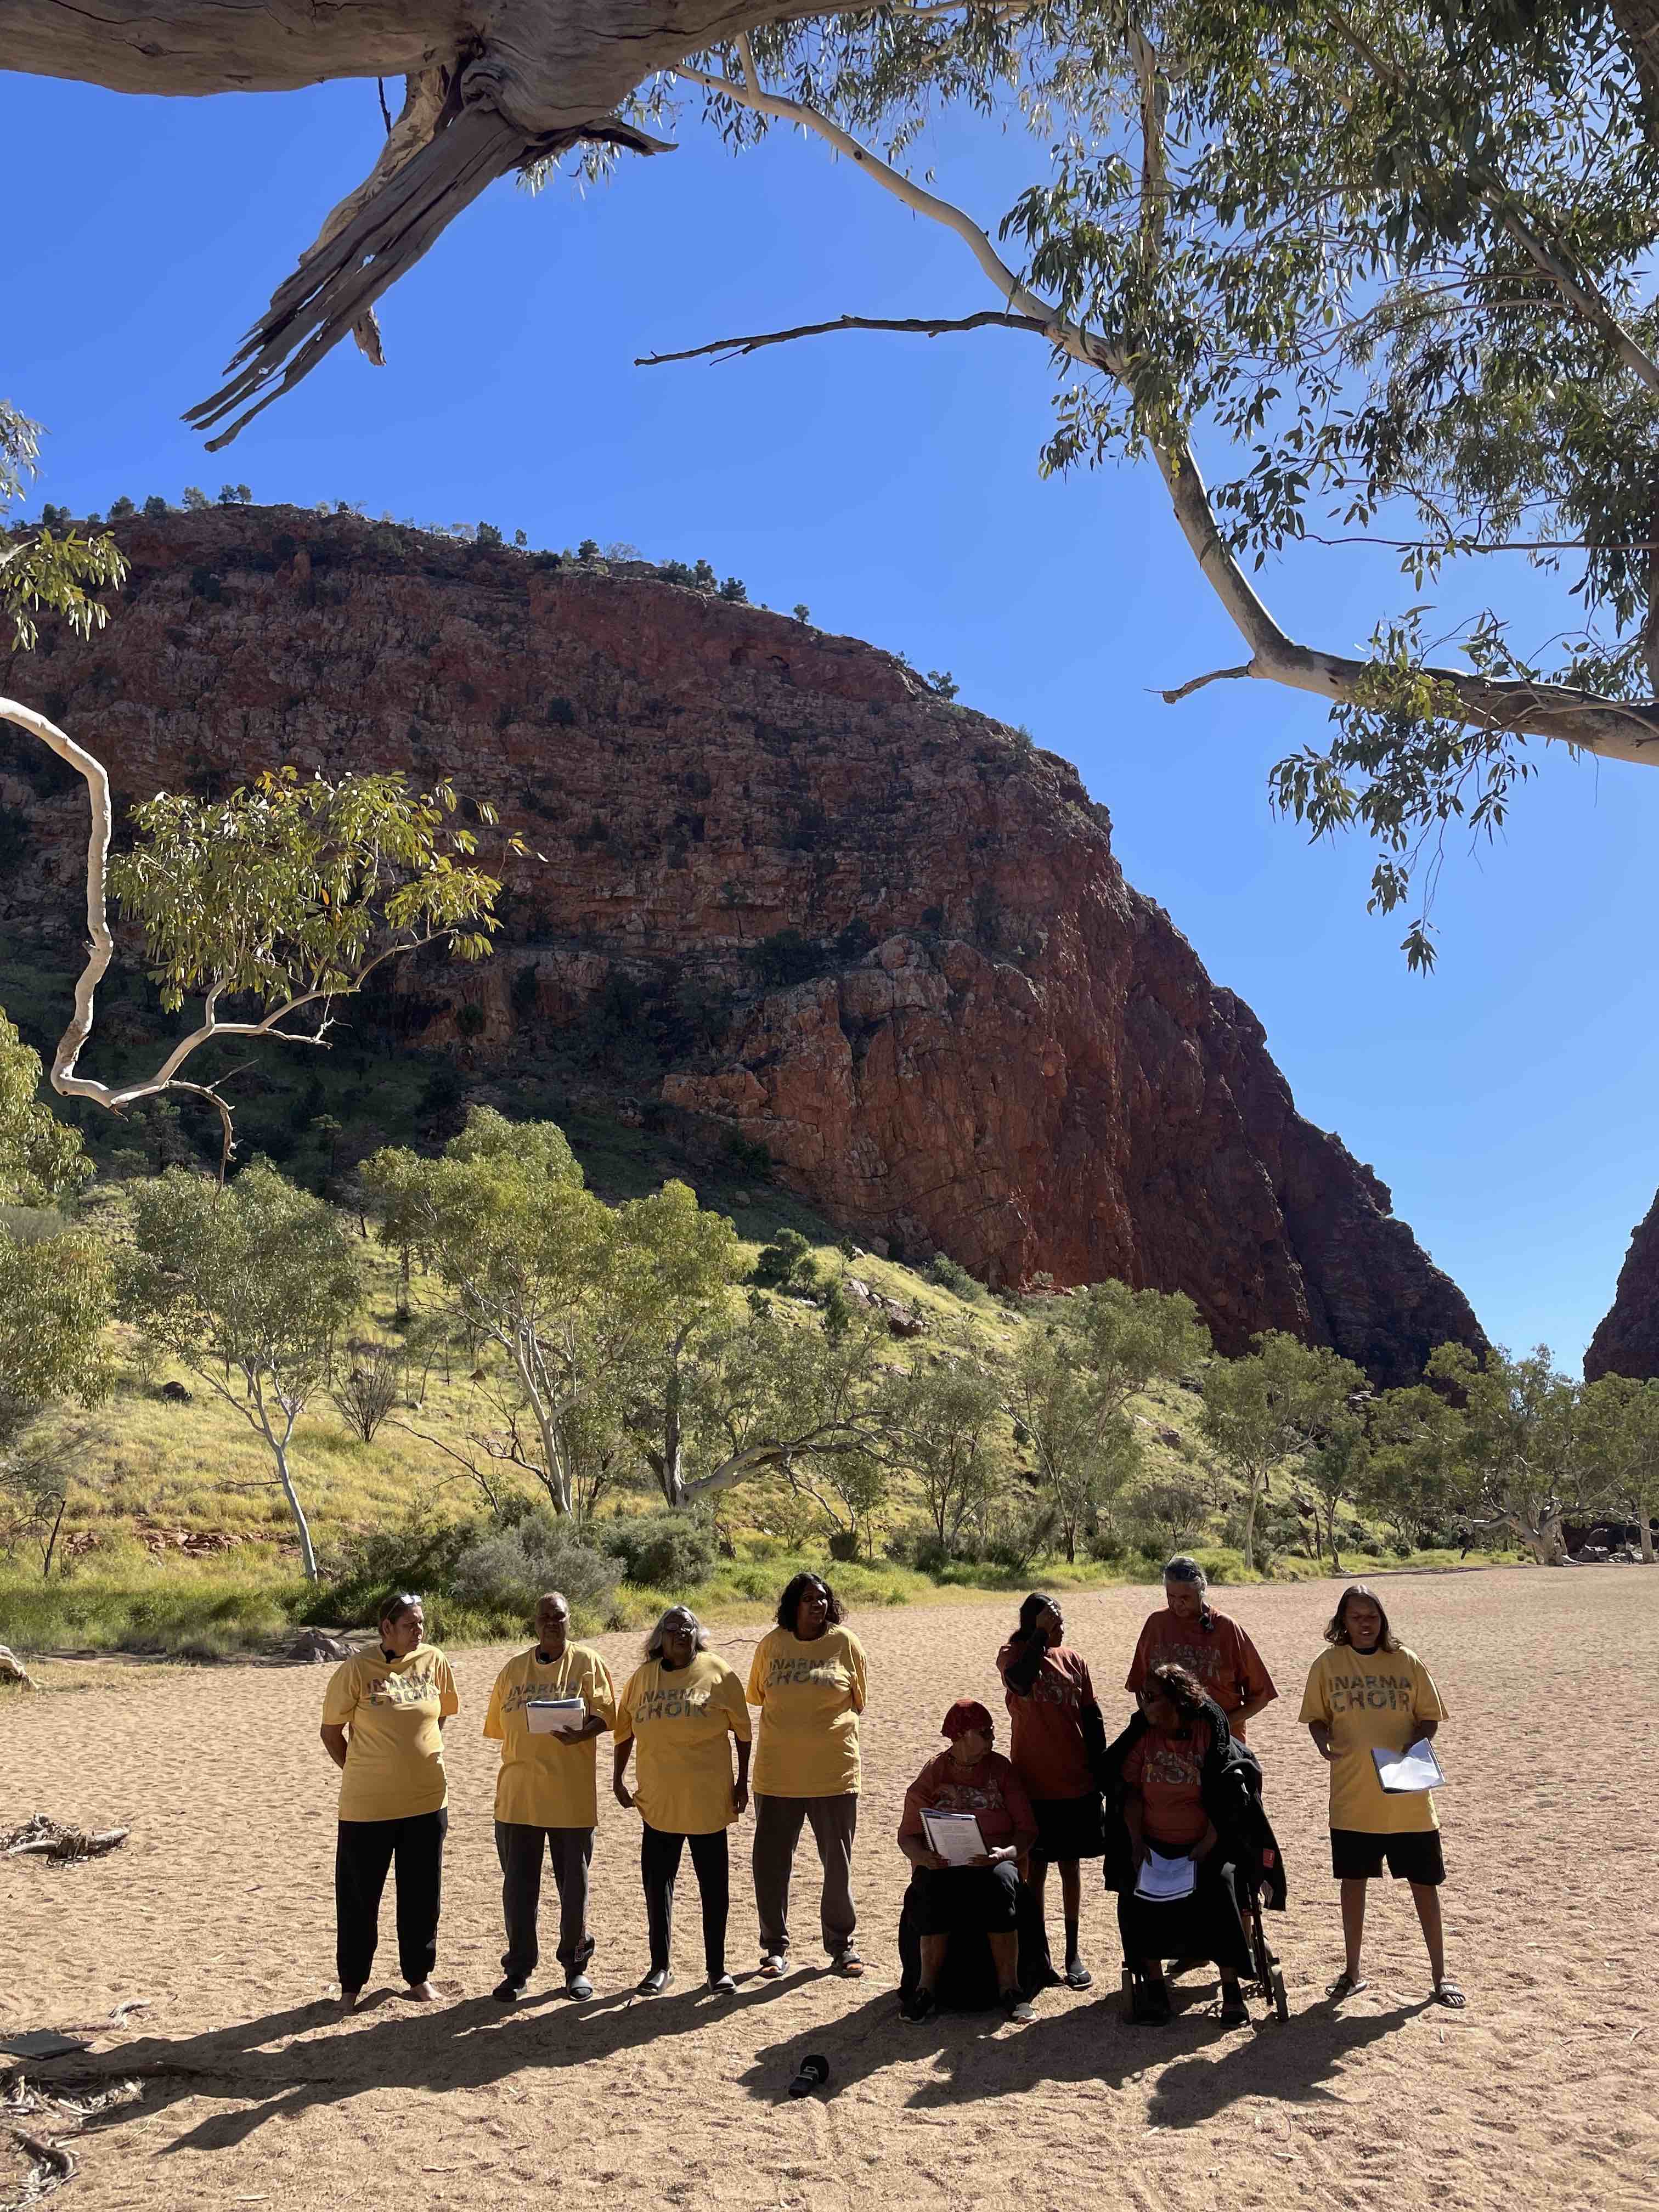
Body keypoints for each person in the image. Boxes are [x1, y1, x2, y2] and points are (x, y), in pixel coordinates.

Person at [1299, 1584, 1464, 2008]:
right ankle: (1352, 1971)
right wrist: (1322, 1742)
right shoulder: (1328, 1665)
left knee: (1425, 1885)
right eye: (1356, 1617)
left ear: (1382, 1619)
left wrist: (1415, 1747)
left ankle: (1441, 1975)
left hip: (1408, 1799)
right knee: (1353, 1885)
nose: (1365, 1624)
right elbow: (1316, 1718)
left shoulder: (1406, 1661)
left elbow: (1430, 1716)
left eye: (1371, 1616)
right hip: (1353, 1801)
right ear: (1343, 1622)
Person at [319, 1592, 459, 2007]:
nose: (420, 1631)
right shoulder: (357, 1668)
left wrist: (413, 1755)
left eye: (422, 1624)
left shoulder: (435, 1661)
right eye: (411, 1625)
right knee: (360, 1897)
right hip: (368, 1808)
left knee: (421, 1895)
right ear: (387, 1629)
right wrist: (365, 1770)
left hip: (427, 1802)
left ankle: (418, 1976)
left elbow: (442, 1715)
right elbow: (331, 1733)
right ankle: (351, 1986)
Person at [483, 1589, 617, 2004]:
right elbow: (499, 1729)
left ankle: (575, 1967)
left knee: (573, 1889)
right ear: (534, 1623)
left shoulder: (587, 1663)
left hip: (570, 1800)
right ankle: (519, 1969)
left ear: (569, 1619)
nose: (552, 1623)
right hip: (518, 1799)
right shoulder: (513, 1670)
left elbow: (608, 1714)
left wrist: (583, 1733)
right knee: (518, 1890)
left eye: (559, 1616)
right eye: (545, 1617)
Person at [613, 1604, 752, 1996]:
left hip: (708, 1801)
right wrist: (617, 1777)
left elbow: (743, 1733)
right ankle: (660, 1967)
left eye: (688, 1628)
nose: (681, 1634)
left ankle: (717, 1969)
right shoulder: (643, 1678)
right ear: (660, 1638)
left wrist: (743, 1783)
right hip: (659, 1803)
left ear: (697, 1634)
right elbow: (625, 1731)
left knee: (714, 1889)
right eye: (672, 1629)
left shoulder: (719, 1672)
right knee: (658, 1887)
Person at [1116, 1662, 1257, 2024]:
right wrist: (1135, 1843)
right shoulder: (1144, 1739)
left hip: (1204, 1845)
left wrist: (1208, 1841)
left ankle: (1231, 1990)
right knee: (1133, 1888)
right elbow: (1130, 1793)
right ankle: (1155, 1986)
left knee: (1221, 1885)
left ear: (1176, 1700)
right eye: (1141, 1696)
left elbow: (1225, 1795)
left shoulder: (1206, 1735)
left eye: (1150, 1697)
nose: (1143, 1704)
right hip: (1155, 1845)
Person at [748, 1572, 870, 1980]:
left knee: (837, 1864)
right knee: (771, 1864)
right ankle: (774, 1948)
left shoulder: (845, 1644)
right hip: (777, 1776)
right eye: (808, 1599)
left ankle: (841, 1945)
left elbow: (859, 1700)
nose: (817, 1605)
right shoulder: (772, 1645)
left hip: (833, 1775)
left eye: (822, 1598)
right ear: (792, 1605)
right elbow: (758, 1694)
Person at [897, 1698, 1039, 2025]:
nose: (992, 1738)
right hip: (945, 1863)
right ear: (960, 1736)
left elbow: (1027, 1830)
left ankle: (1010, 1990)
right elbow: (907, 1835)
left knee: (1001, 1885)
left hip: (992, 1861)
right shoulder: (934, 1773)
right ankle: (925, 1990)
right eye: (984, 1732)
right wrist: (922, 1858)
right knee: (928, 1888)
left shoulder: (1002, 1770)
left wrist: (1004, 1855)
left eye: (992, 1731)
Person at [996, 1592, 1105, 1989]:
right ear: (1034, 1626)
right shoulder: (1013, 1654)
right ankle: (1038, 1954)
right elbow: (1021, 1683)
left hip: (1074, 1782)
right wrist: (1039, 1638)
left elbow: (1091, 1716)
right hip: (1033, 1784)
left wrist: (1101, 1771)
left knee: (1070, 1867)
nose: (1061, 1631)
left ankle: (1073, 1953)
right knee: (1035, 1871)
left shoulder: (1074, 1659)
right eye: (1052, 1625)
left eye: (1060, 1625)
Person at [1125, 1556, 1277, 1743]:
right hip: (1166, 1741)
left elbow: (1261, 1696)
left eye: (1185, 1598)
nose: (1177, 1604)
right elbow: (1138, 1684)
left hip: (1220, 1743)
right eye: (1171, 1596)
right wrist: (1153, 1716)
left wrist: (1220, 1725)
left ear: (1202, 1589)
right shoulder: (1156, 1624)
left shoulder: (1226, 1628)